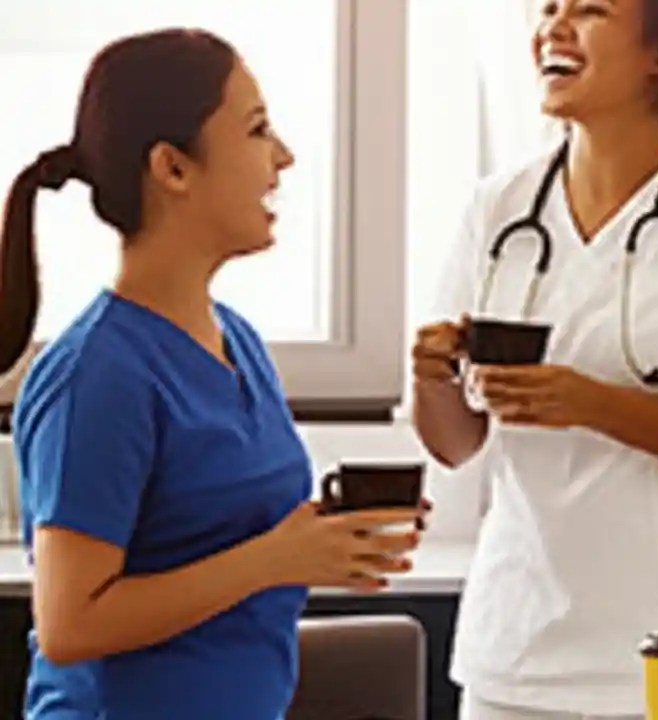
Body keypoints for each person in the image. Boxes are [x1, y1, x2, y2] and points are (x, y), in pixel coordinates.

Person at [0, 29, 425, 719]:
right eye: (257, 130)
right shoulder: (95, 376)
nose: (282, 157)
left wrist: (327, 540)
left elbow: (226, 533)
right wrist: (275, 559)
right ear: (172, 167)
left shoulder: (238, 341)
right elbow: (70, 624)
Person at [411, 0, 658, 716]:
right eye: (548, 8)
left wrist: (592, 404)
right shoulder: (497, 210)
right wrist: (431, 376)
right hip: (517, 651)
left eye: (589, 9)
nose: (554, 27)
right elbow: (457, 445)